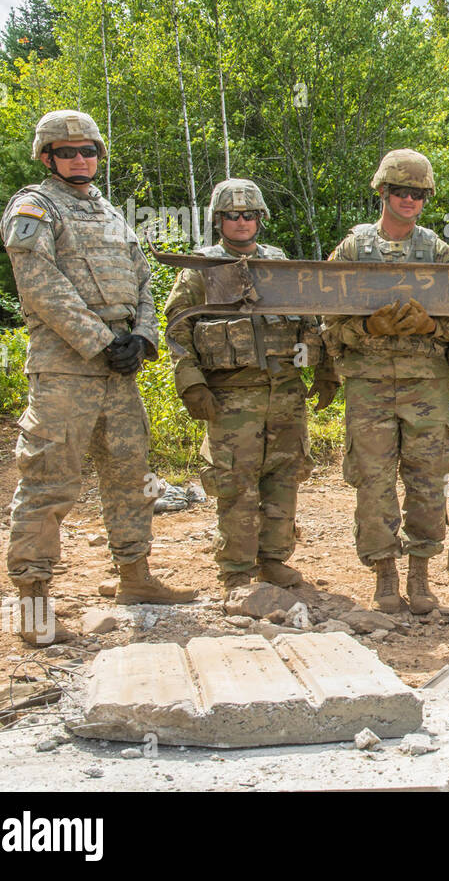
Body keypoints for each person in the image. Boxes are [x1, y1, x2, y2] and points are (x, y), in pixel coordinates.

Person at [0, 110, 196, 645]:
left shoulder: (110, 213)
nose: (81, 161)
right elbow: (40, 284)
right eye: (68, 153)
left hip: (118, 371)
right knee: (48, 481)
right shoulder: (35, 206)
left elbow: (142, 280)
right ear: (47, 157)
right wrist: (101, 341)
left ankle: (135, 578)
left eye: (88, 152)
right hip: (65, 368)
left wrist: (144, 338)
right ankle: (34, 608)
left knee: (130, 478)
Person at [165, 178, 337, 591]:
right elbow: (177, 328)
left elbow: (311, 318)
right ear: (218, 221)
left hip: (286, 392)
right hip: (231, 396)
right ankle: (237, 569)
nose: (240, 223)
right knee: (235, 481)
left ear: (260, 219)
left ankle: (274, 559)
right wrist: (191, 382)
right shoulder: (201, 270)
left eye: (248, 215)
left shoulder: (279, 265)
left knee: (285, 475)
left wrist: (326, 369)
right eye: (231, 216)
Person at [321, 149, 449, 614]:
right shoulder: (353, 249)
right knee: (373, 480)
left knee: (427, 479)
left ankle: (420, 573)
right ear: (382, 192)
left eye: (418, 194)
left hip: (426, 384)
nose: (409, 200)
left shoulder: (439, 252)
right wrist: (367, 329)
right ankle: (384, 574)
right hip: (370, 383)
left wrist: (431, 327)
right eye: (400, 191)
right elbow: (329, 322)